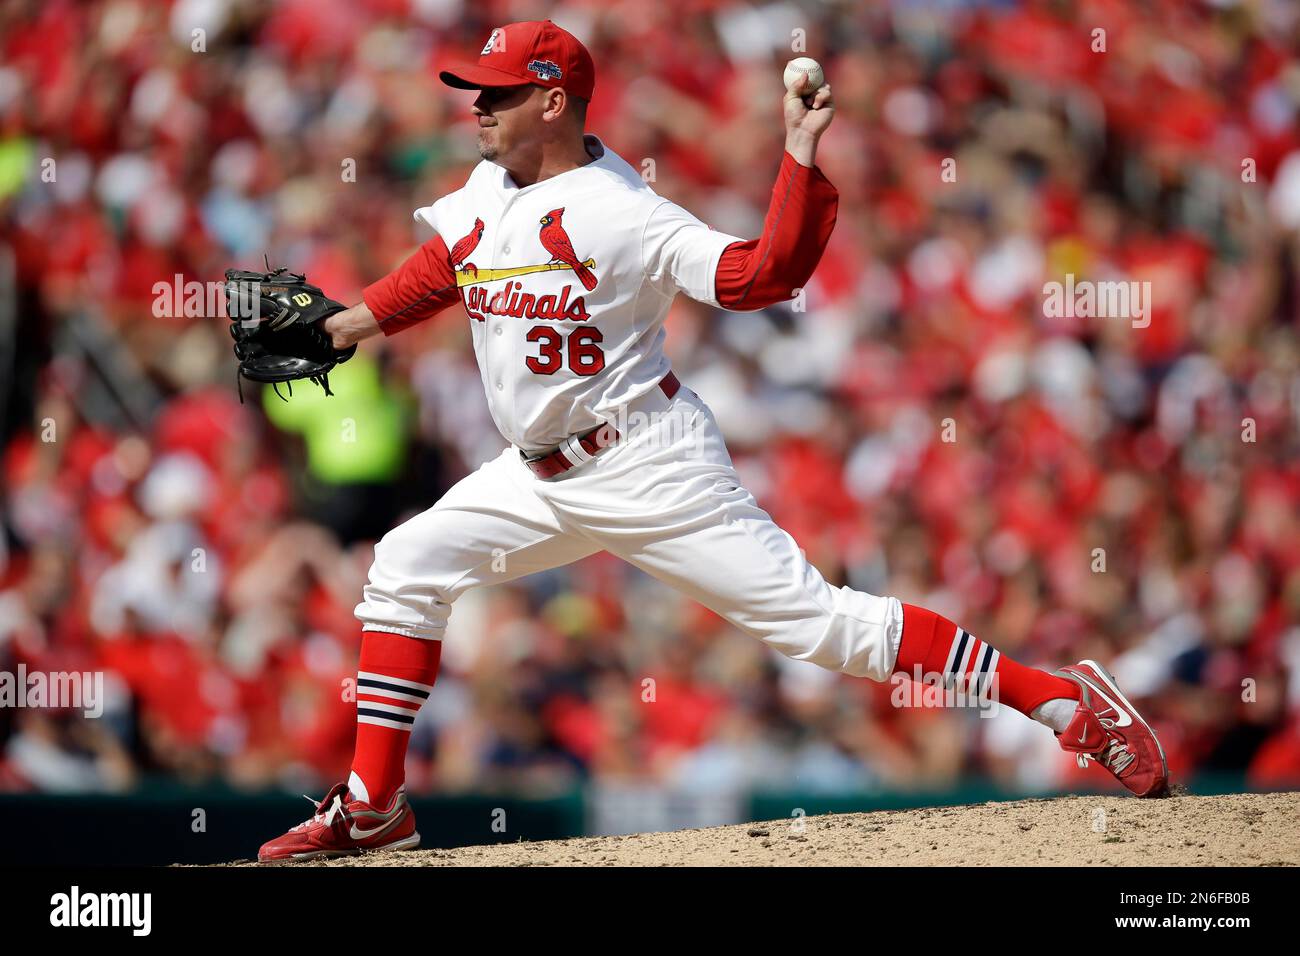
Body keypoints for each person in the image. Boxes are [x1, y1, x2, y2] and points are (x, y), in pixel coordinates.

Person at [257, 19, 1167, 863]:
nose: (477, 105)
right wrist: (347, 327)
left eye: (496, 91)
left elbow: (765, 275)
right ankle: (375, 804)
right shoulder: (493, 186)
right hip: (537, 475)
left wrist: (800, 155)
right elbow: (452, 263)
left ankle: (1057, 698)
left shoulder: (626, 212)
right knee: (408, 563)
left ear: (553, 102)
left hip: (648, 462)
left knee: (822, 628)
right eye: (476, 90)